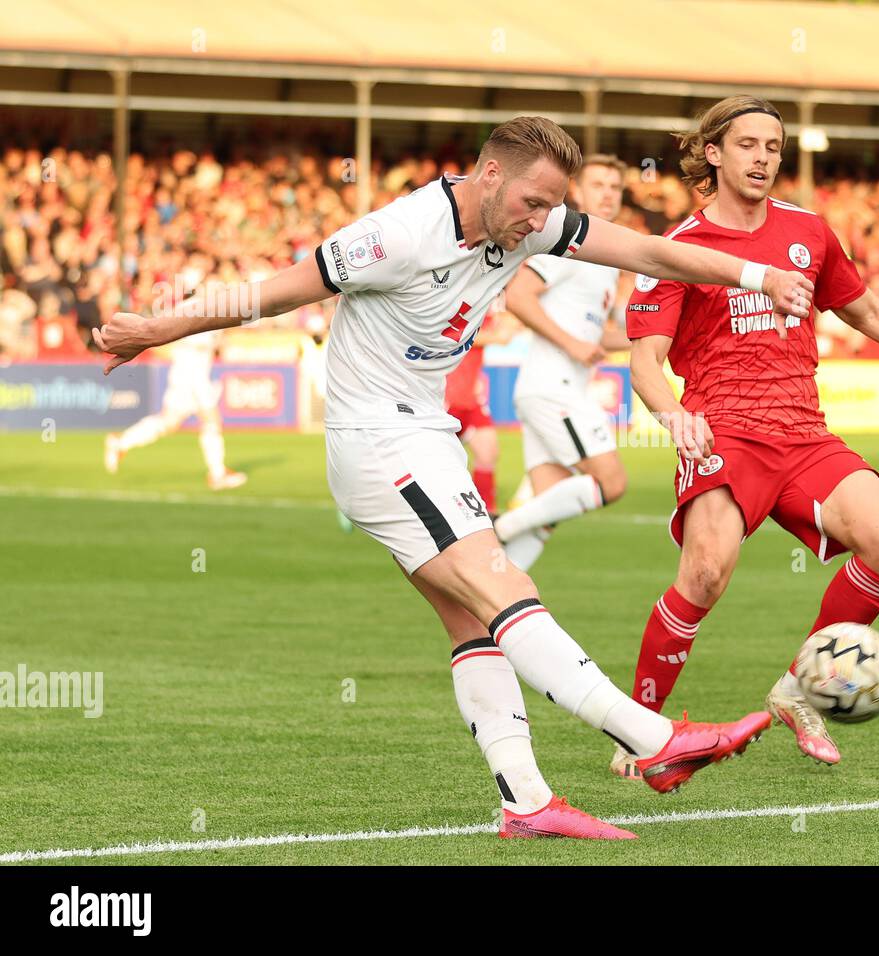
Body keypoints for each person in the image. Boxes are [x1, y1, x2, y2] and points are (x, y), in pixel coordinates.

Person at [94, 116, 815, 840]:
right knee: (507, 587)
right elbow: (271, 293)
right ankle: (652, 740)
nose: (542, 222)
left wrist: (760, 274)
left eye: (551, 208)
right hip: (379, 441)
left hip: (420, 433)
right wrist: (156, 329)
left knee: (472, 622)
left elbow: (657, 251)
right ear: (490, 176)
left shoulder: (531, 221)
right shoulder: (400, 234)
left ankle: (527, 803)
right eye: (533, 203)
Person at [615, 96, 879, 778]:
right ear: (714, 153)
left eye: (774, 145)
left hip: (803, 432)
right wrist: (672, 414)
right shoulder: (676, 249)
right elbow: (645, 359)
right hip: (724, 430)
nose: (764, 157)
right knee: (705, 573)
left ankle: (800, 692)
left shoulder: (809, 233)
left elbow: (870, 312)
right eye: (748, 145)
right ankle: (639, 730)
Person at [496, 154, 632, 571]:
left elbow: (598, 336)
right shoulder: (566, 243)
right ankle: (495, 528)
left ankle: (496, 600)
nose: (607, 194)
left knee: (546, 513)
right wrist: (572, 344)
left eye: (615, 186)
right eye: (598, 185)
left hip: (549, 388)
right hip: (553, 386)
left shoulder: (604, 257)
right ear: (577, 191)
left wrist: (659, 338)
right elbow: (517, 295)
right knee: (611, 482)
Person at [103, 329, 247, 490]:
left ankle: (121, 443)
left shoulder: (209, 313)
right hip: (191, 376)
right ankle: (217, 474)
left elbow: (215, 345)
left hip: (188, 375)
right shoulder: (197, 311)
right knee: (211, 421)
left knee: (169, 423)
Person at [444, 309, 506, 517]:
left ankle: (487, 514)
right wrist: (495, 336)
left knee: (488, 452)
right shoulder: (452, 301)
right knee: (433, 463)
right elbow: (449, 335)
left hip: (470, 397)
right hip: (444, 395)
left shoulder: (486, 305)